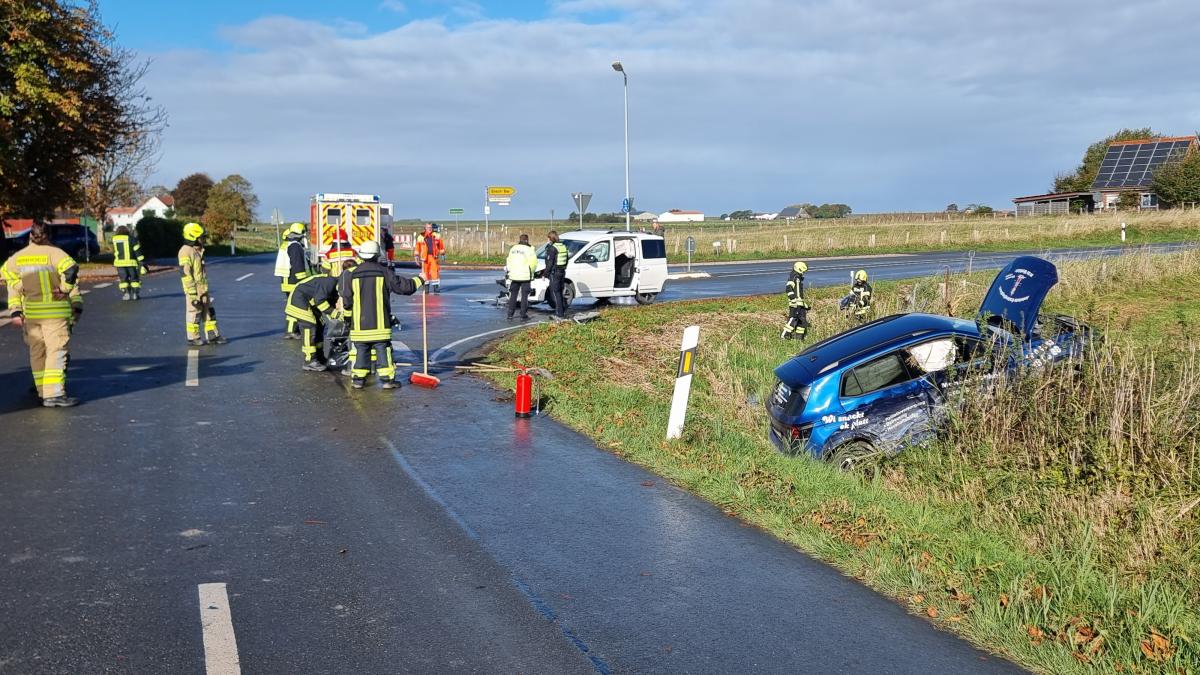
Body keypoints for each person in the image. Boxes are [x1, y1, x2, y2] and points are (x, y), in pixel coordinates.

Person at [1, 222, 83, 407]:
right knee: (56, 351)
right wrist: (64, 289)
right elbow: (71, 269)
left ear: (30, 235)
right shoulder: (54, 253)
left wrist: (21, 289)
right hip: (54, 312)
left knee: (37, 351)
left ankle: (42, 391)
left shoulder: (19, 257)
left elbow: (5, 273)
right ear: (48, 235)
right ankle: (53, 394)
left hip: (32, 313)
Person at [340, 240, 425, 389]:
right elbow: (404, 287)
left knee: (361, 351)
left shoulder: (350, 274)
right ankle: (387, 381)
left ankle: (358, 381)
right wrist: (420, 279)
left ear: (361, 255)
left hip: (359, 325)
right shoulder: (384, 272)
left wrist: (348, 318)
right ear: (377, 255)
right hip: (380, 325)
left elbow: (346, 299)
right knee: (383, 350)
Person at [286, 258, 355, 372]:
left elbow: (330, 304)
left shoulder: (333, 288)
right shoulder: (329, 283)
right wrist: (335, 314)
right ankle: (309, 360)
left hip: (307, 301)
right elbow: (320, 301)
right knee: (310, 326)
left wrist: (335, 315)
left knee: (320, 325)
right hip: (299, 300)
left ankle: (320, 357)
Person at [179, 222, 226, 346]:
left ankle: (213, 336)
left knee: (209, 312)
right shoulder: (185, 251)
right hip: (193, 289)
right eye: (201, 237)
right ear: (193, 238)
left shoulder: (197, 250)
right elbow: (185, 274)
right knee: (194, 313)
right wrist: (192, 292)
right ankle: (193, 337)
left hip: (202, 288)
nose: (203, 239)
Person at [275, 223, 312, 338]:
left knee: (292, 306)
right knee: (296, 306)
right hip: (294, 282)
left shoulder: (287, 245)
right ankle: (291, 331)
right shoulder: (295, 246)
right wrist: (303, 281)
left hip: (288, 280)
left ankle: (291, 330)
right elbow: (298, 266)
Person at [504, 234, 537, 321]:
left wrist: (510, 271)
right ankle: (523, 315)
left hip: (514, 275)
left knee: (513, 295)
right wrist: (532, 273)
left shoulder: (513, 249)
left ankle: (510, 314)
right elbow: (533, 264)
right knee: (524, 296)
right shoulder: (529, 249)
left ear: (520, 240)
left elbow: (508, 261)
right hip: (525, 276)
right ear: (527, 240)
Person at [110, 225, 147, 300]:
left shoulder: (114, 239)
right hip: (131, 263)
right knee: (134, 279)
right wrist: (142, 262)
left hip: (120, 264)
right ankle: (135, 294)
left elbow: (114, 251)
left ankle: (126, 294)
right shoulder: (131, 239)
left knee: (123, 279)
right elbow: (137, 251)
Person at [781, 261, 810, 340]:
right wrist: (793, 299)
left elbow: (799, 294)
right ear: (800, 269)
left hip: (800, 305)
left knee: (802, 322)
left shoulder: (798, 278)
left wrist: (804, 305)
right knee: (793, 319)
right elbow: (788, 288)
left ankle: (799, 338)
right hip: (795, 304)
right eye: (803, 271)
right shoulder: (794, 277)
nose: (803, 273)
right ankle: (784, 336)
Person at [413, 222, 445, 293]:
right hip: (424, 258)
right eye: (428, 228)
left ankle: (436, 288)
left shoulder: (436, 235)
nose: (429, 229)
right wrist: (416, 256)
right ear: (425, 228)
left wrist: (442, 254)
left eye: (430, 228)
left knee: (435, 272)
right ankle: (426, 288)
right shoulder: (421, 237)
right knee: (425, 272)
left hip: (434, 257)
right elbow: (417, 248)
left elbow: (441, 245)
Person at [544, 230, 569, 320]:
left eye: (548, 238)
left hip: (554, 273)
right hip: (562, 271)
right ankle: (563, 310)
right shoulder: (563, 246)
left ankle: (559, 314)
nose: (547, 240)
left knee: (555, 293)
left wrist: (545, 274)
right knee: (560, 292)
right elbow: (567, 259)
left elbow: (550, 263)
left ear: (551, 238)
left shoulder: (552, 248)